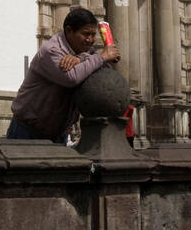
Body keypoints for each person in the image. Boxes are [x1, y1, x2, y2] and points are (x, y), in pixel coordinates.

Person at [7, 7, 120, 144]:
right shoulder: (51, 51)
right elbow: (71, 78)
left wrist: (80, 59)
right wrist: (101, 57)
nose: (90, 40)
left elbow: (102, 72)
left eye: (93, 35)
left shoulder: (86, 51)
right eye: (85, 34)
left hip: (59, 133)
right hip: (27, 131)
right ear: (69, 31)